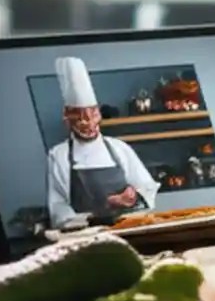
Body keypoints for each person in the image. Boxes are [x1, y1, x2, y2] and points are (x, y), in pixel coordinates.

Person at [47, 56, 161, 228]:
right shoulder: (58, 155)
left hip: (128, 228)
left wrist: (134, 195)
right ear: (68, 122)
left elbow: (146, 186)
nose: (89, 125)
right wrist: (102, 209)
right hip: (88, 234)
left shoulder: (119, 147)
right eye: (80, 120)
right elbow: (58, 206)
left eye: (93, 116)